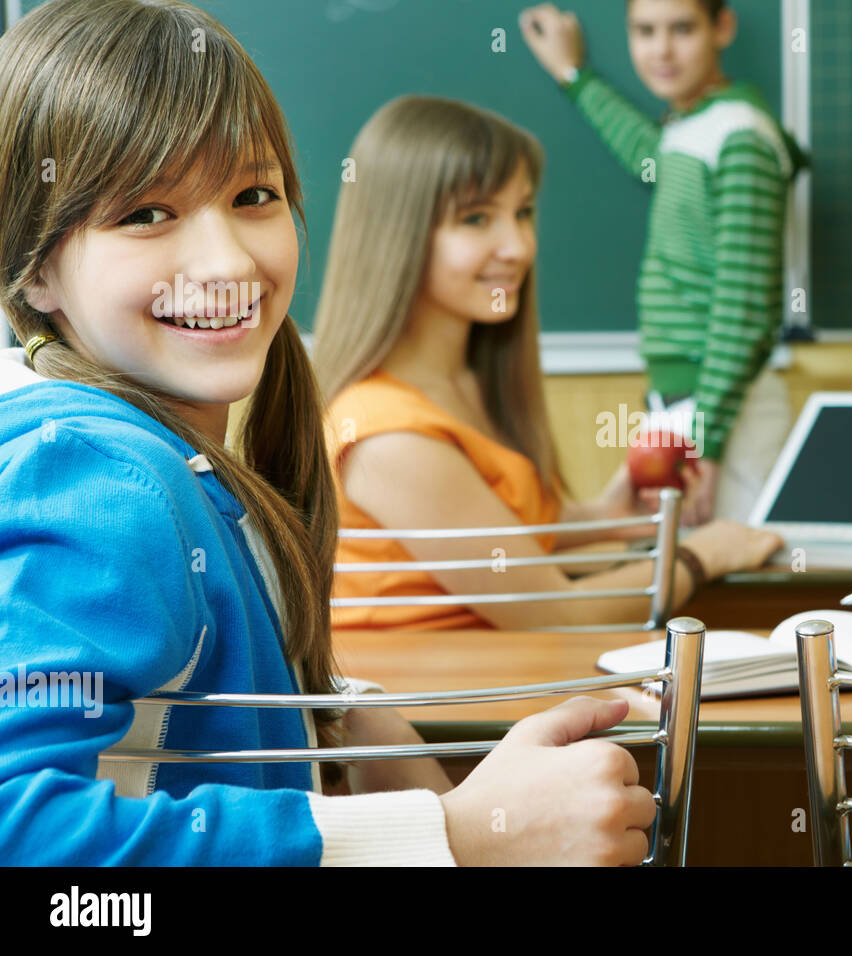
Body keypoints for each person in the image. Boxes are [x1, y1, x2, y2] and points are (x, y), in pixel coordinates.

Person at [0, 0, 655, 866]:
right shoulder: (99, 476)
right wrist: (447, 834)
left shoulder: (163, 457)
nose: (229, 262)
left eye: (254, 195)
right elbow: (23, 834)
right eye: (146, 214)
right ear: (36, 265)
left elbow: (177, 705)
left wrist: (336, 704)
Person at [311, 95, 781, 632]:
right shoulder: (387, 437)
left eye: (523, 212)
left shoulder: (469, 381)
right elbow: (551, 612)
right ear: (397, 236)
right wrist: (704, 555)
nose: (518, 246)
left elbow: (508, 540)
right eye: (476, 218)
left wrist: (605, 519)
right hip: (455, 710)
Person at [519, 0, 808, 524]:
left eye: (682, 29)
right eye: (644, 31)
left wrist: (709, 443)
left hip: (722, 409)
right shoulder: (692, 131)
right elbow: (644, 152)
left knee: (731, 588)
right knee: (670, 576)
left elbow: (744, 306)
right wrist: (573, 74)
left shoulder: (740, 138)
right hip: (683, 405)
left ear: (722, 27)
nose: (661, 50)